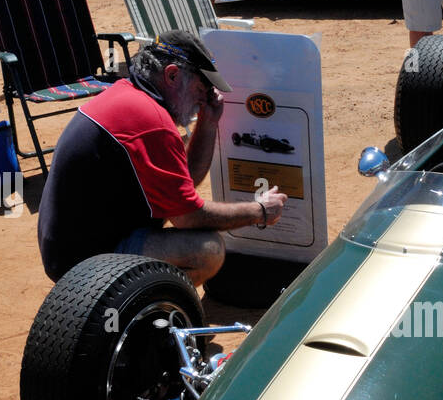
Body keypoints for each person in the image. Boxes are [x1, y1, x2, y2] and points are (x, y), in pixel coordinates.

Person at [37, 31, 287, 286]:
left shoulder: (130, 94)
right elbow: (189, 217)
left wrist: (208, 123)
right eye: (201, 87)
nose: (206, 97)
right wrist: (260, 211)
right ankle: (141, 308)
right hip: (82, 262)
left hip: (70, 249)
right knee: (207, 250)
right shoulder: (151, 122)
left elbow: (183, 182)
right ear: (172, 75)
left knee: (182, 223)